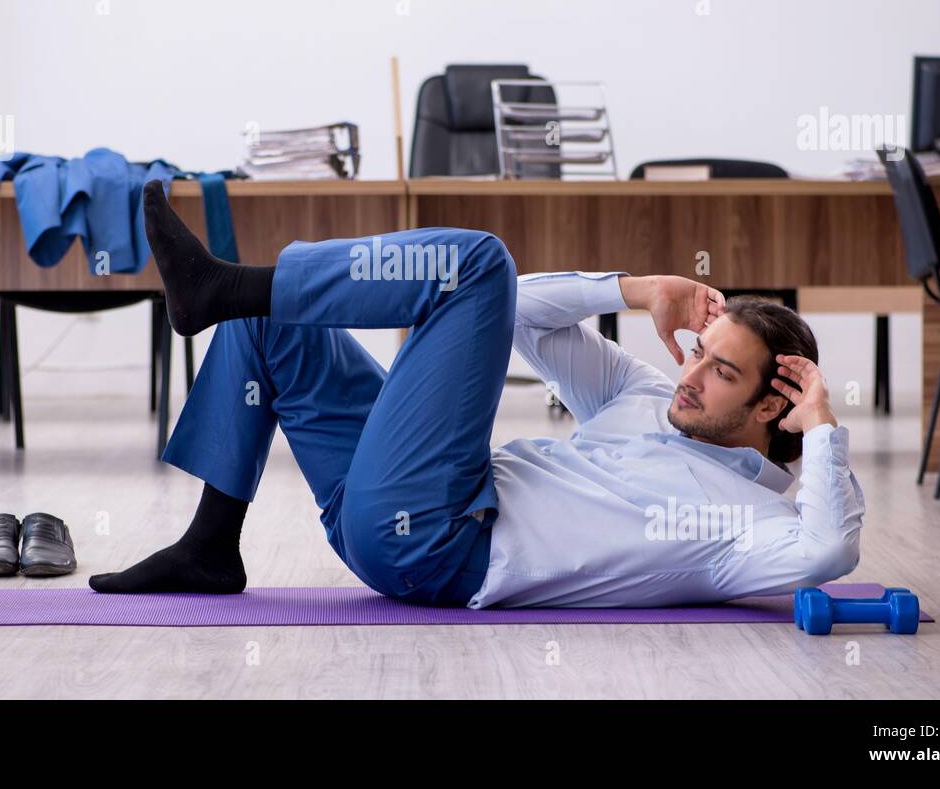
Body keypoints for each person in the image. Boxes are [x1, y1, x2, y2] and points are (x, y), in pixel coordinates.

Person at [88, 182, 865, 608]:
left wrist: (825, 425)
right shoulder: (641, 393)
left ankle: (218, 286)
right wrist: (637, 289)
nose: (691, 375)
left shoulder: (748, 523)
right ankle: (210, 545)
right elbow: (520, 313)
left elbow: (827, 548)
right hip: (404, 507)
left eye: (722, 373)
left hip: (440, 543)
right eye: (701, 353)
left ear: (774, 405)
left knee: (479, 262)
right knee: (270, 322)